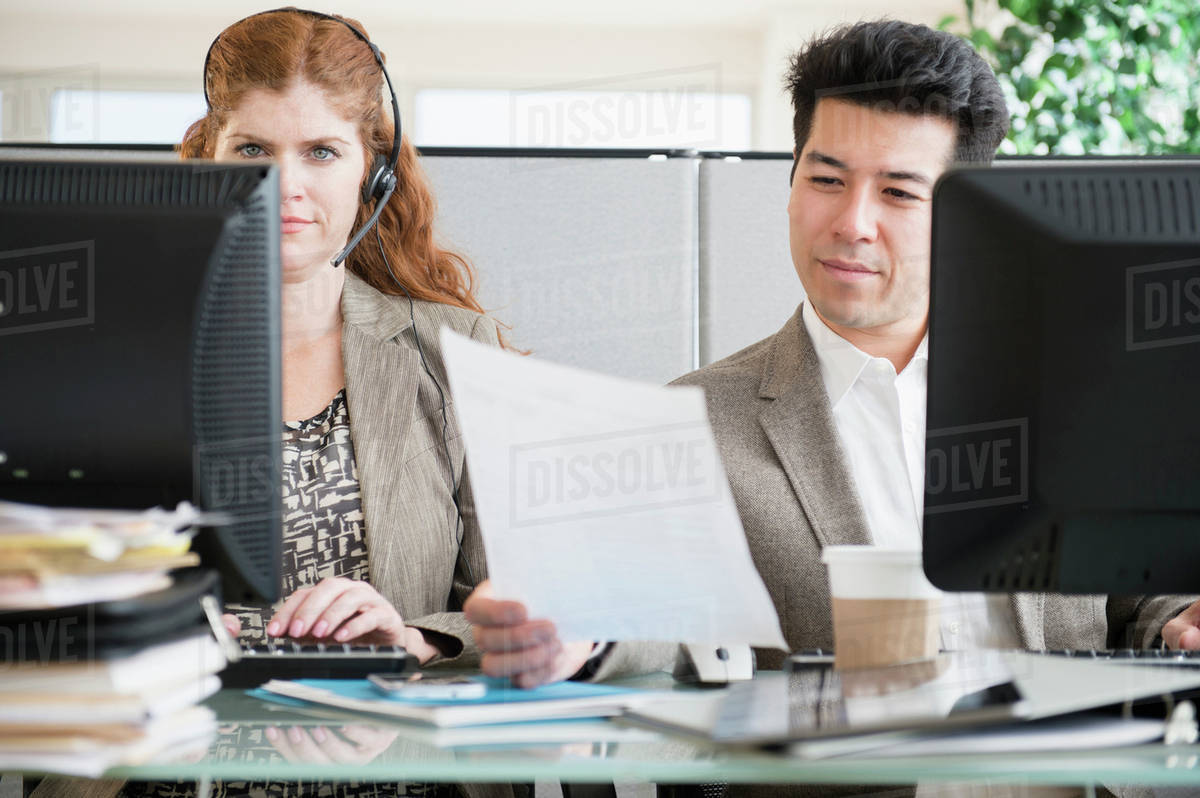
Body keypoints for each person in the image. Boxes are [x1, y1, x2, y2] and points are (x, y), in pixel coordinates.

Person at [465, 19, 1200, 689]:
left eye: (900, 193)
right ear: (790, 180)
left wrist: (1182, 621)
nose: (852, 223)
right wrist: (580, 637)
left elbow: (1145, 596)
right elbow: (651, 617)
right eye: (826, 180)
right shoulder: (692, 419)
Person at [25, 9, 512, 798]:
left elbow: (529, 606)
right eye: (252, 149)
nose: (284, 185)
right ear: (207, 160)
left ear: (371, 173)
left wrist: (416, 637)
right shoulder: (103, 352)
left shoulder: (453, 353)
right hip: (156, 775)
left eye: (321, 151)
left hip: (394, 771)